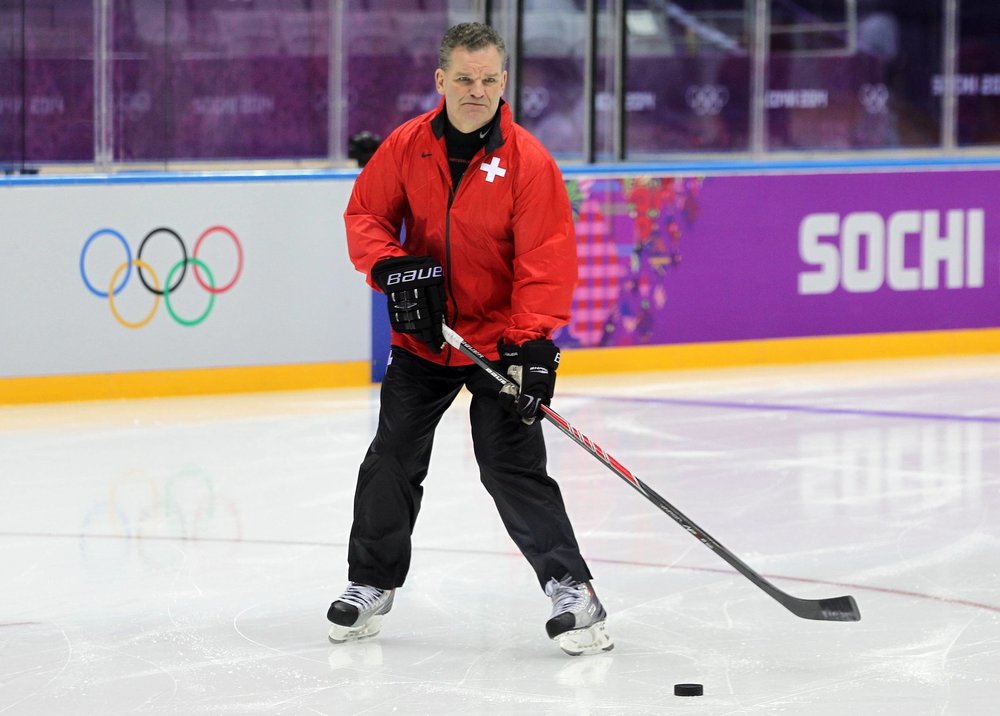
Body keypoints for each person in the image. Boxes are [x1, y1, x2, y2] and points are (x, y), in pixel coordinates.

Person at [328, 22, 612, 657]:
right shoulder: (407, 146)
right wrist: (392, 268)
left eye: (488, 80)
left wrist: (529, 345)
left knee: (509, 464)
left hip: (494, 342)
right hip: (425, 340)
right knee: (392, 456)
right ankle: (369, 584)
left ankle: (574, 591)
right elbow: (366, 216)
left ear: (503, 81)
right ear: (441, 81)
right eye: (464, 79)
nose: (477, 90)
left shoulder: (528, 162)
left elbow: (545, 258)